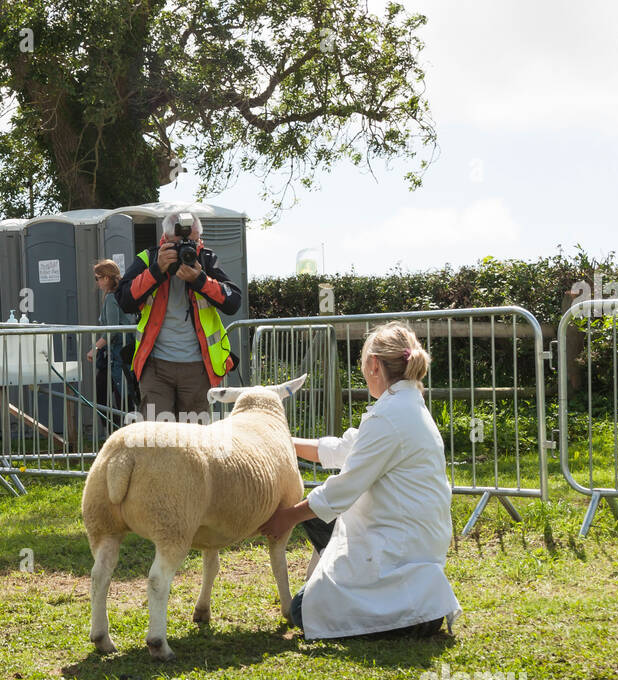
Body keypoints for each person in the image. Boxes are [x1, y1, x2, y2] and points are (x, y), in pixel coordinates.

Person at [260, 321, 462, 641]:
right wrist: (277, 437)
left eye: (363, 365)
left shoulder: (390, 415)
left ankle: (417, 612)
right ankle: (349, 586)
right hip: (406, 537)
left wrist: (287, 516)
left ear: (373, 365)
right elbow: (343, 449)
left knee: (303, 610)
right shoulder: (403, 406)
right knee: (315, 514)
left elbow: (346, 486)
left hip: (400, 547)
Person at [115, 210, 240, 420]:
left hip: (198, 368)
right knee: (157, 437)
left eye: (191, 243)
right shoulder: (149, 258)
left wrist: (200, 280)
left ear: (199, 240)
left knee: (194, 439)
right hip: (155, 367)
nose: (186, 250)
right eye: (178, 244)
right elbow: (125, 300)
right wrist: (157, 270)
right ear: (165, 239)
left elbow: (232, 301)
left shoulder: (206, 259)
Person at [85, 259, 138, 415]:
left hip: (117, 355)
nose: (97, 283)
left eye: (98, 278)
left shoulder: (110, 298)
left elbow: (113, 330)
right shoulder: (123, 294)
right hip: (126, 352)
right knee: (124, 395)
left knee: (116, 397)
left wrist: (94, 348)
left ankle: (116, 430)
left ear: (106, 278)